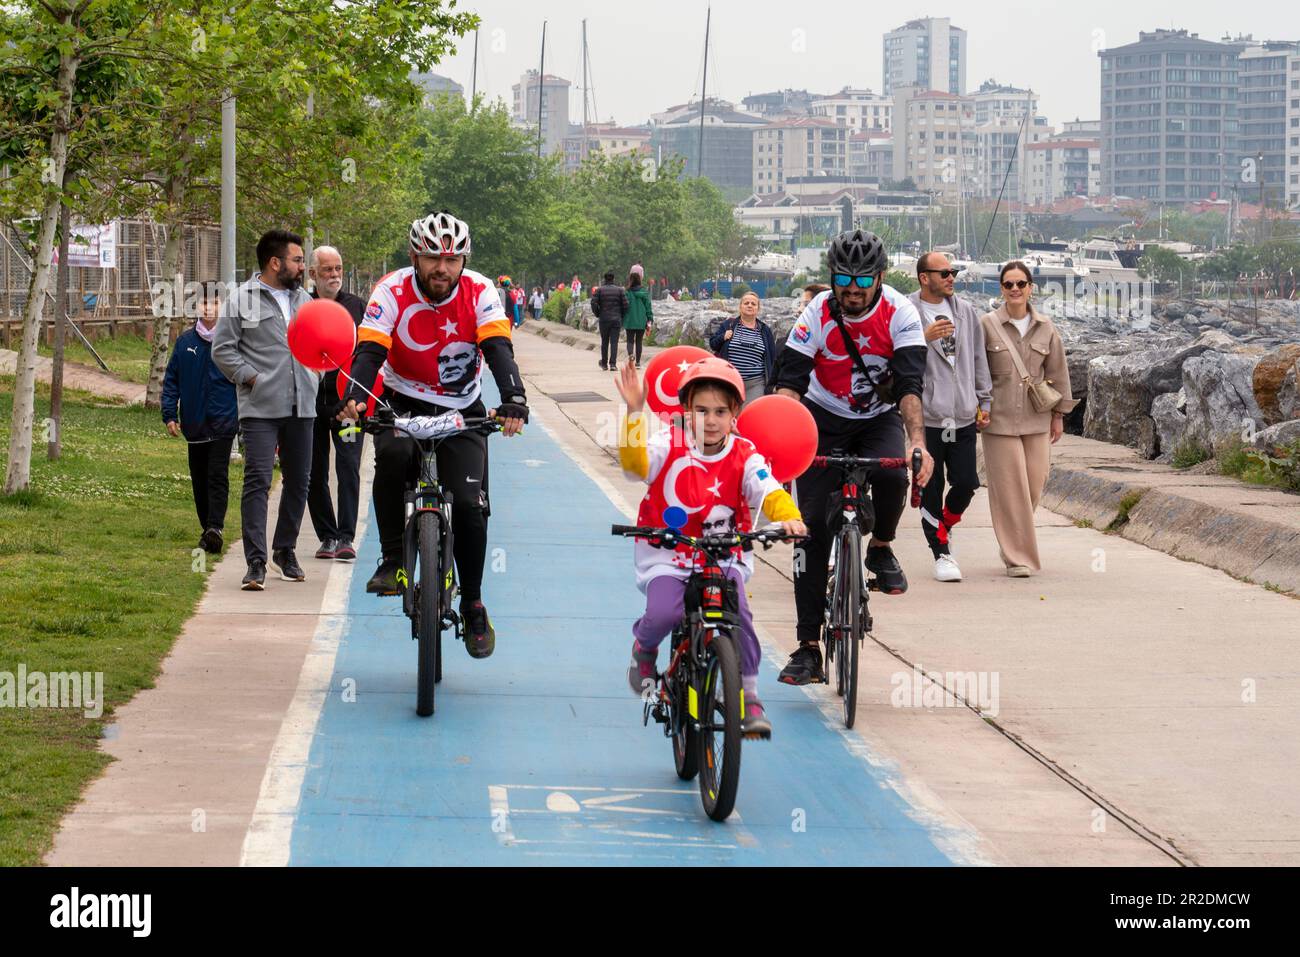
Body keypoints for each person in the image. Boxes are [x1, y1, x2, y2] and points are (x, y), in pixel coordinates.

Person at [336, 211, 527, 658]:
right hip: (404, 401)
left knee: (467, 505)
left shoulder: (480, 291)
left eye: (452, 259)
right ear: (414, 257)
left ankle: (475, 602)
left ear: (463, 260)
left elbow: (498, 349)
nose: (442, 269)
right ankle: (391, 560)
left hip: (462, 406)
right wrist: (354, 397)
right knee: (394, 456)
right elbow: (368, 351)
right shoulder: (391, 289)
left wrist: (514, 398)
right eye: (431, 259)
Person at [772, 229, 934, 686]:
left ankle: (880, 550)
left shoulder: (900, 312)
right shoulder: (816, 313)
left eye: (863, 280)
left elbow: (908, 386)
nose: (853, 288)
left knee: (892, 478)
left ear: (880, 278)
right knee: (809, 533)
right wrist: (784, 439)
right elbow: (790, 383)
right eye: (843, 277)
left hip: (877, 418)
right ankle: (807, 647)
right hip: (822, 417)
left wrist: (916, 443)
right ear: (832, 276)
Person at [614, 355, 806, 736]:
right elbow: (634, 466)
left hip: (724, 553)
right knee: (665, 613)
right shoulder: (667, 441)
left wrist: (788, 517)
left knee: (741, 619)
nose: (711, 420)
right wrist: (635, 412)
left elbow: (768, 489)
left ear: (736, 412)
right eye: (701, 410)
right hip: (668, 554)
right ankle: (645, 649)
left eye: (721, 411)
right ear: (685, 409)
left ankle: (749, 698)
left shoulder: (745, 452)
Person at [212, 229, 318, 591]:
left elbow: (319, 346)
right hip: (259, 407)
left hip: (302, 405)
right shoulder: (241, 300)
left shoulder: (306, 301)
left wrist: (315, 375)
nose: (304, 266)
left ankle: (284, 550)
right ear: (276, 263)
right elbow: (223, 349)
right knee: (257, 479)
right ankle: (255, 562)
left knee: (299, 481)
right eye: (298, 260)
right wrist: (250, 378)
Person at [980, 260, 1077, 577]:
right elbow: (977, 372)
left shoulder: (1046, 328)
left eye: (1021, 283)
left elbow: (1058, 372)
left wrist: (1059, 415)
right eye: (1009, 284)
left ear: (1030, 287)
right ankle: (1017, 557)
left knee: (1035, 485)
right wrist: (977, 407)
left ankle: (1011, 537)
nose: (1015, 289)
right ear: (1002, 289)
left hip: (1037, 418)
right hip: (999, 421)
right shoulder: (987, 325)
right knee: (1010, 489)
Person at [909, 252, 991, 582]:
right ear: (923, 277)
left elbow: (977, 358)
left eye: (952, 271)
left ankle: (943, 526)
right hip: (928, 417)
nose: (950, 277)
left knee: (968, 482)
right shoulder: (906, 311)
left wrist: (984, 400)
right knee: (931, 486)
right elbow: (893, 356)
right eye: (943, 272)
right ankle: (941, 552)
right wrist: (922, 338)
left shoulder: (967, 312)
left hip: (963, 415)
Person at [162, 281, 238, 555]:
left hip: (224, 421)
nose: (209, 307)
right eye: (204, 302)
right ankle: (207, 528)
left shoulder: (231, 341)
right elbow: (172, 380)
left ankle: (215, 527)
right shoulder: (185, 343)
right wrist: (170, 414)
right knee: (199, 477)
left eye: (215, 302)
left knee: (217, 474)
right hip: (194, 423)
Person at [306, 245, 367, 562]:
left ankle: (346, 537)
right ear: (313, 273)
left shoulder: (358, 308)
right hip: (310, 408)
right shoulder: (302, 307)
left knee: (347, 469)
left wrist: (359, 403)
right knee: (313, 473)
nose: (334, 275)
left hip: (347, 410)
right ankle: (327, 536)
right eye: (327, 270)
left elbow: (371, 358)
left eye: (338, 269)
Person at [708, 290, 776, 406]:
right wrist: (723, 337)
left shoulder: (765, 330)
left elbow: (773, 357)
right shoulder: (729, 324)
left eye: (753, 304)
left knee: (749, 416)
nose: (750, 305)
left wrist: (773, 383)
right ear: (740, 307)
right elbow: (713, 344)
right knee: (728, 416)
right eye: (746, 303)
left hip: (755, 383)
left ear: (758, 309)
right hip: (729, 381)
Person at [591, 270, 629, 371]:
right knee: (614, 342)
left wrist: (598, 313)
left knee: (604, 342)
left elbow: (593, 303)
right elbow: (626, 305)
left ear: (604, 279)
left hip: (604, 319)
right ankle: (613, 364)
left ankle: (604, 363)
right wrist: (621, 315)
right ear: (613, 279)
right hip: (616, 319)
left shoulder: (599, 290)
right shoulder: (620, 290)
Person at [622, 268, 653, 366]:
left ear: (630, 280)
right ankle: (638, 362)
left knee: (630, 340)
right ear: (639, 280)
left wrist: (622, 318)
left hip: (630, 320)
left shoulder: (627, 293)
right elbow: (648, 308)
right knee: (639, 342)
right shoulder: (644, 293)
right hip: (641, 321)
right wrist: (649, 320)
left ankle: (631, 355)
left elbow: (624, 307)